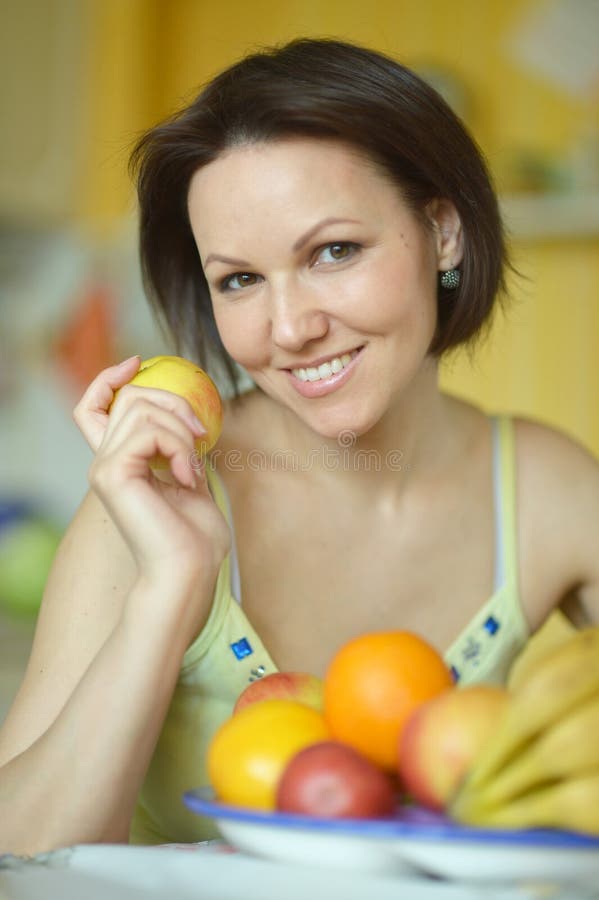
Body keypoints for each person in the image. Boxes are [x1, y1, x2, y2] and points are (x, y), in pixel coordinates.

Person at [1, 37, 598, 854]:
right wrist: (171, 587)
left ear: (443, 233)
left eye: (333, 251)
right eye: (239, 279)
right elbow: (19, 857)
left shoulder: (549, 494)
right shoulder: (155, 502)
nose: (288, 329)